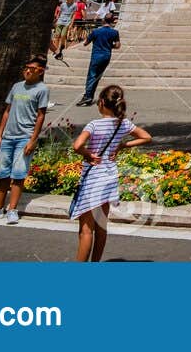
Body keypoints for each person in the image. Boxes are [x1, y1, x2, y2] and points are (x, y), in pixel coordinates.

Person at [67, 85, 151, 262]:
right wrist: (123, 145)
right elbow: (146, 137)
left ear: (102, 103)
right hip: (109, 178)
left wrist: (89, 154)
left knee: (86, 230)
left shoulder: (94, 125)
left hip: (93, 178)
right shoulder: (123, 124)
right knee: (101, 227)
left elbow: (77, 146)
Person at [0, 55, 50, 225]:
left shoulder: (42, 90)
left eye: (32, 68)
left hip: (25, 136)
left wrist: (33, 139)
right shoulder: (17, 87)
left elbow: (40, 116)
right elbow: (7, 111)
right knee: (2, 172)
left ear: (40, 71)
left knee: (18, 173)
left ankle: (12, 209)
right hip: (8, 136)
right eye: (26, 67)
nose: (28, 71)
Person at [77, 13, 120, 106]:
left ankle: (87, 96)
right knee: (97, 77)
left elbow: (85, 43)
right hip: (106, 56)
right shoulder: (115, 32)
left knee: (91, 76)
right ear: (113, 21)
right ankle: (90, 95)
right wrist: (109, 45)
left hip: (96, 56)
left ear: (103, 20)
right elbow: (117, 45)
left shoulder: (96, 31)